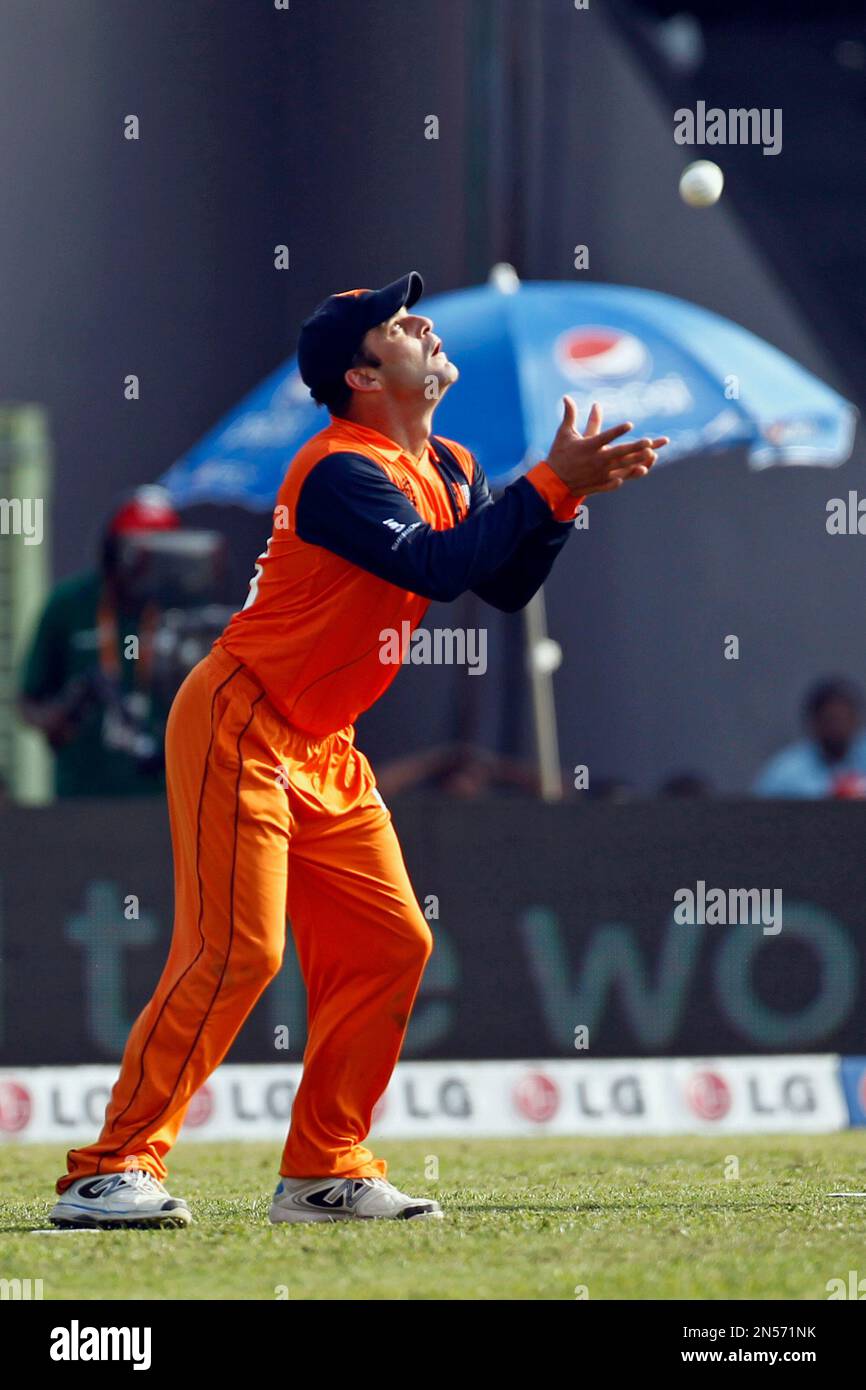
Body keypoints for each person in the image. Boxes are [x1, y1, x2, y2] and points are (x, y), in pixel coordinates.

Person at [50, 271, 667, 1229]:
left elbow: (496, 587)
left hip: (322, 741)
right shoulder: (339, 468)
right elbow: (435, 567)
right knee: (238, 953)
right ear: (362, 374)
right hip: (240, 719)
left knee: (390, 943)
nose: (422, 322)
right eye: (397, 322)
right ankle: (111, 1169)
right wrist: (549, 484)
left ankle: (322, 1172)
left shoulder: (452, 464)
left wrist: (560, 503)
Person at [18, 487, 181, 798]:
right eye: (134, 549)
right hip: (82, 798)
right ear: (111, 549)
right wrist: (67, 708)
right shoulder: (69, 603)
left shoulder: (183, 610)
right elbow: (28, 701)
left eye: (158, 551)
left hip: (164, 801)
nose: (144, 562)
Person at [753, 677, 866, 798]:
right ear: (814, 722)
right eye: (831, 720)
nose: (838, 727)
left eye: (844, 719)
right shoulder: (785, 773)